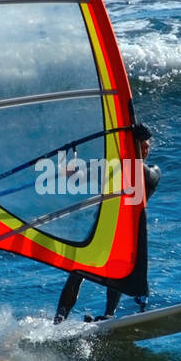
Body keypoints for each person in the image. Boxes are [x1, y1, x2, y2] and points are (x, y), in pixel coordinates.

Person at [54, 124, 160, 323]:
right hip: (101, 228)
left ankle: (109, 314)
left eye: (147, 147)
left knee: (118, 269)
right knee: (77, 272)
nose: (145, 151)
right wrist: (69, 167)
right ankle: (59, 320)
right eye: (141, 146)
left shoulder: (152, 173)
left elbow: (138, 175)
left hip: (126, 232)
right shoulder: (113, 169)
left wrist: (130, 152)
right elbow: (79, 174)